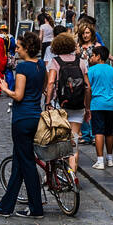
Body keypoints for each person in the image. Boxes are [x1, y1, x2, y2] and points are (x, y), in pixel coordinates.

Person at [0, 31, 46, 218]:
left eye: (19, 47)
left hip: (22, 118)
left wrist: (6, 89)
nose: (17, 50)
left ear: (27, 48)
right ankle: (6, 205)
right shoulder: (40, 65)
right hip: (35, 116)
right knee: (19, 163)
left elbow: (19, 95)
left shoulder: (23, 68)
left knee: (26, 163)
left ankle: (36, 207)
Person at [45, 31, 91, 178]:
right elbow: (88, 87)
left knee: (60, 140)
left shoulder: (56, 62)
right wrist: (87, 107)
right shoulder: (81, 62)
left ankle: (59, 173)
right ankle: (72, 178)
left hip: (61, 106)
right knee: (74, 143)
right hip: (78, 106)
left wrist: (48, 102)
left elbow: (51, 82)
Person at [87, 46, 113, 170]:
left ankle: (100, 161)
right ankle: (110, 159)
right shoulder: (112, 70)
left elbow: (88, 88)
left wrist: (86, 106)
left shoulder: (91, 70)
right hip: (110, 105)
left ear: (98, 57)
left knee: (98, 132)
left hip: (96, 104)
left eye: (93, 55)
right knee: (109, 133)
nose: (91, 57)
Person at [76, 19, 96, 143]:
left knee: (92, 106)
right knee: (83, 105)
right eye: (83, 33)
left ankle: (93, 134)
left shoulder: (96, 47)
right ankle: (84, 133)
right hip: (81, 78)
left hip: (93, 77)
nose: (85, 35)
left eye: (87, 32)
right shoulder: (77, 47)